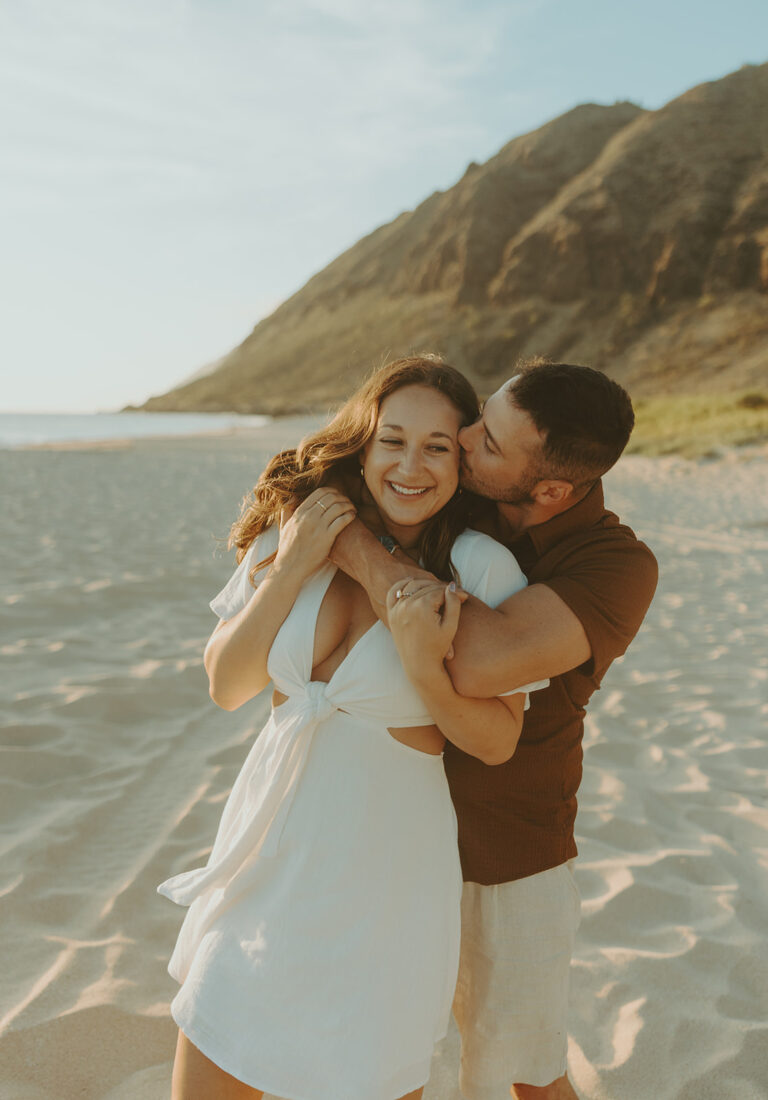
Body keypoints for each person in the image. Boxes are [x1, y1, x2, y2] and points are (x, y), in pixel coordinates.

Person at [157, 356, 548, 1100]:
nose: (411, 465)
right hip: (264, 866)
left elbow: (496, 740)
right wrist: (297, 560)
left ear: (460, 462)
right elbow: (227, 683)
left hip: (385, 885)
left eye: (437, 446)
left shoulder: (481, 566)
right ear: (362, 443)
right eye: (392, 440)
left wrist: (427, 667)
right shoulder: (295, 530)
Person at [328, 359, 659, 1100]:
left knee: (519, 1078)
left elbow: (481, 661)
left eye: (488, 443)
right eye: (478, 422)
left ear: (548, 490)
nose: (465, 439)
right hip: (389, 831)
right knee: (374, 1063)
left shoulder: (618, 564)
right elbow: (311, 482)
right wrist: (353, 538)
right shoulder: (465, 496)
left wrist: (359, 552)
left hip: (508, 855)